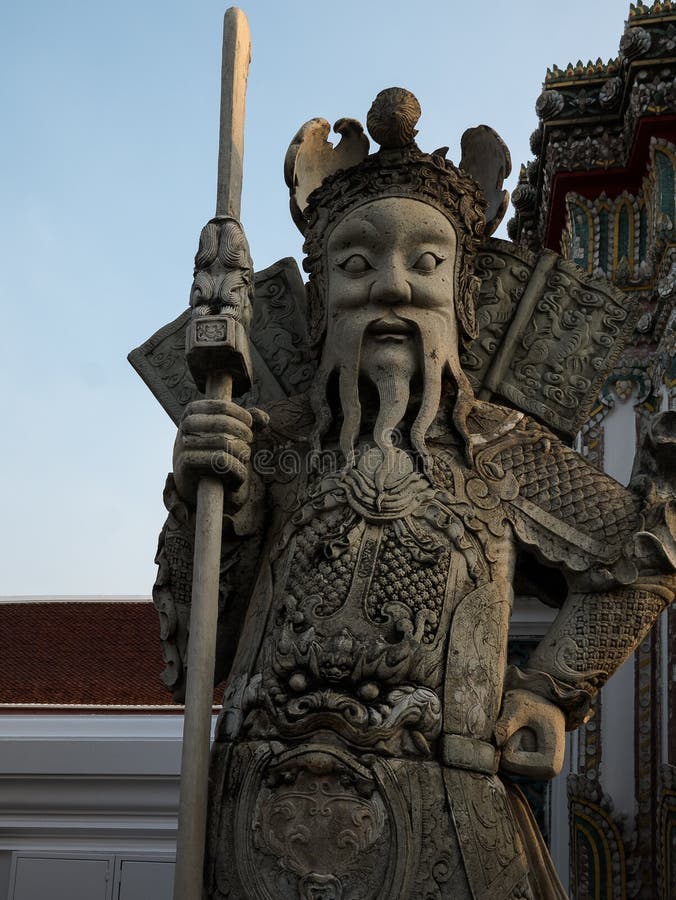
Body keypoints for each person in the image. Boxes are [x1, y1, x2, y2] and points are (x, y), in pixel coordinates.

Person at [156, 89, 675, 899]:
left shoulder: (499, 450)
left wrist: (546, 692)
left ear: (464, 296)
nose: (392, 289)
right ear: (321, 297)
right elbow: (194, 651)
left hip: (444, 809)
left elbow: (640, 559)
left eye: (425, 264)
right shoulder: (272, 447)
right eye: (357, 266)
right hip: (255, 810)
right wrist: (197, 497)